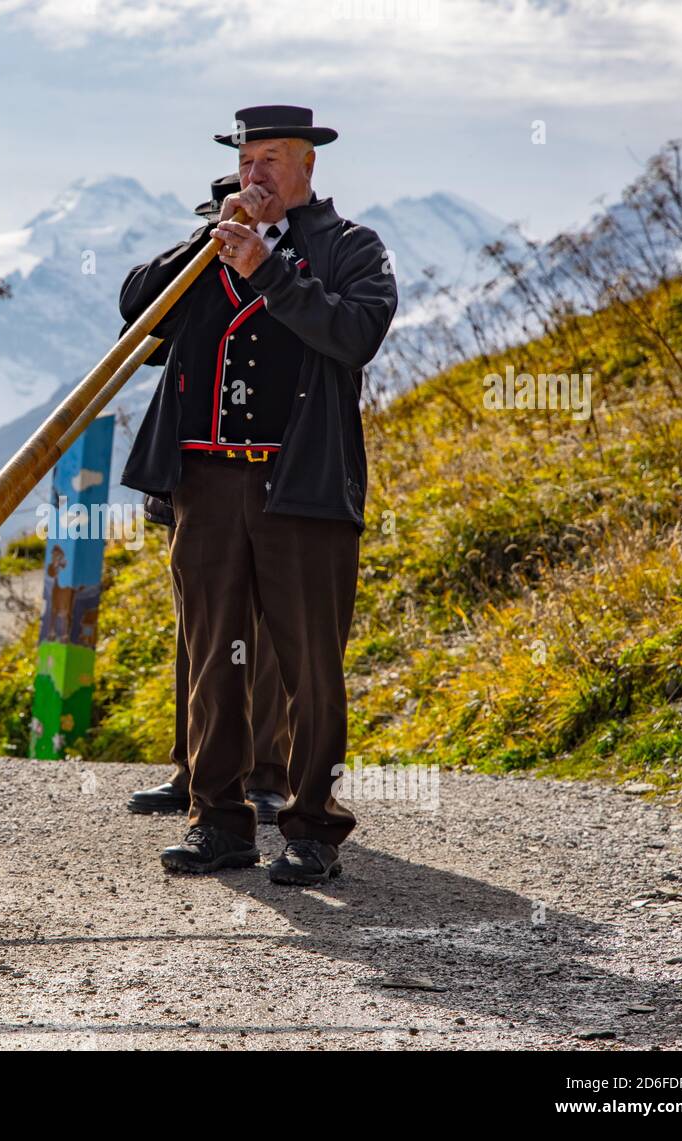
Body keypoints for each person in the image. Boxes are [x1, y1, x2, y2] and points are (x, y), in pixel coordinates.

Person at [119, 105, 398, 884]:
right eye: (247, 159)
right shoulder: (207, 250)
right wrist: (205, 244)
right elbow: (136, 317)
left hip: (298, 485)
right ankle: (220, 822)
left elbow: (353, 335)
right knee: (212, 657)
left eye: (272, 158)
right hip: (206, 484)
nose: (256, 174)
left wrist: (267, 273)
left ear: (308, 167)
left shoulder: (350, 249)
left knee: (311, 664)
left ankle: (312, 827)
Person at [127, 173, 290, 826]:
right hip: (193, 476)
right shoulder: (197, 279)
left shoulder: (294, 278)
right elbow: (140, 320)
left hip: (276, 477)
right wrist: (202, 244)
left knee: (270, 635)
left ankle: (267, 774)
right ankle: (192, 768)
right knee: (198, 634)